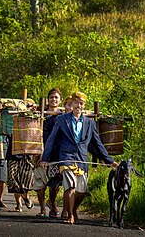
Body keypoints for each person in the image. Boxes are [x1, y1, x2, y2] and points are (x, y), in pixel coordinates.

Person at [40, 92, 118, 224]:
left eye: (81, 103)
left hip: (81, 159)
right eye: (76, 103)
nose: (78, 106)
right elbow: (52, 140)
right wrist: (45, 158)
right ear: (72, 104)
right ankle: (70, 215)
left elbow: (97, 143)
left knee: (81, 190)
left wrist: (109, 160)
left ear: (84, 105)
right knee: (70, 187)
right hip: (66, 158)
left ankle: (74, 209)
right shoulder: (62, 119)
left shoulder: (90, 123)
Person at [33, 88, 63, 218]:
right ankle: (42, 209)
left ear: (60, 100)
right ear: (48, 99)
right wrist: (37, 152)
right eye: (51, 97)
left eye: (56, 97)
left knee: (55, 181)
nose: (54, 99)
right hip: (41, 149)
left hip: (57, 152)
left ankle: (52, 202)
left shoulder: (63, 115)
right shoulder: (41, 114)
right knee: (40, 182)